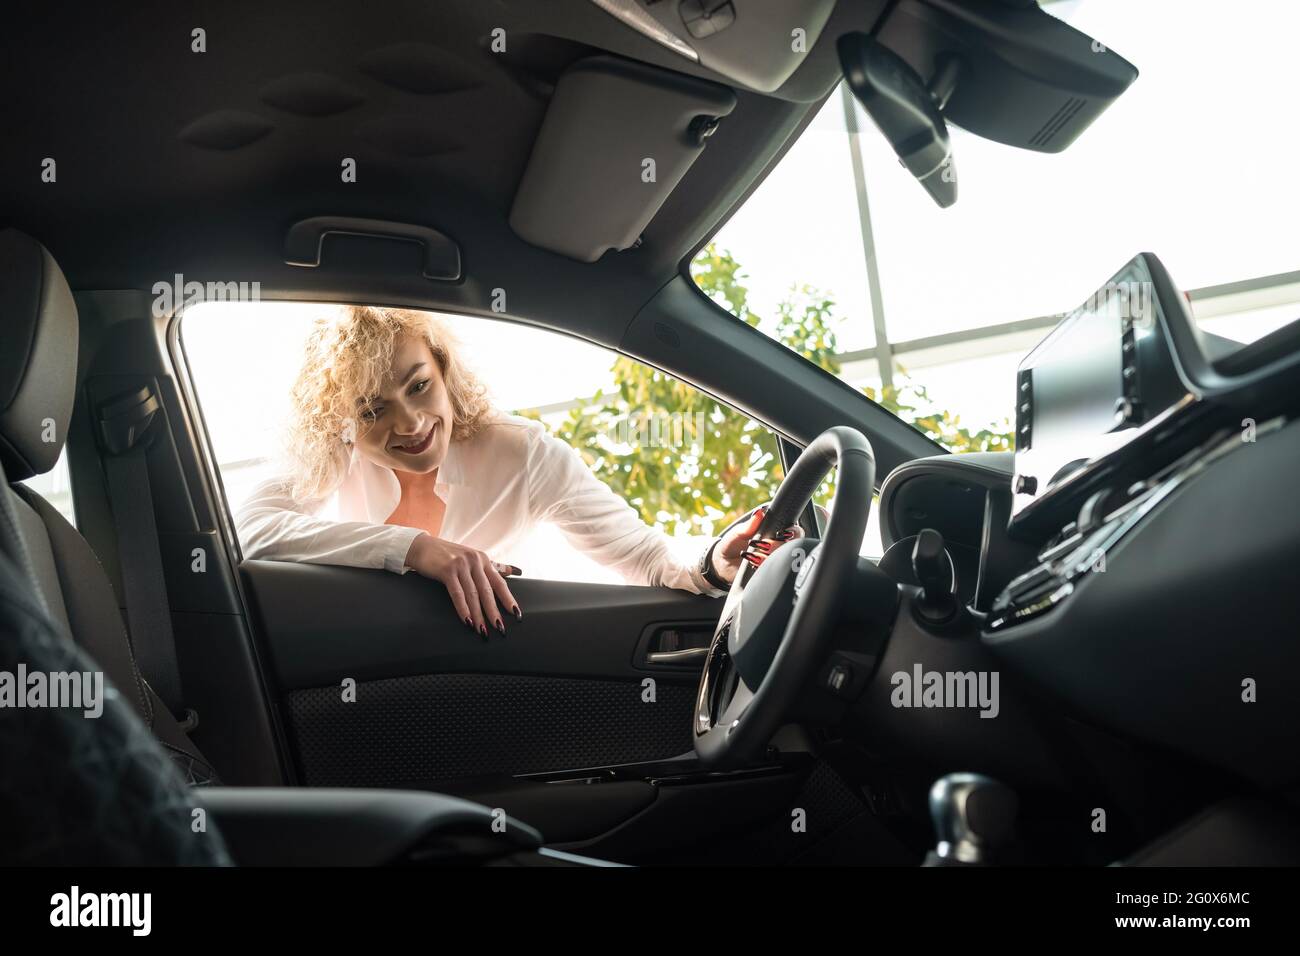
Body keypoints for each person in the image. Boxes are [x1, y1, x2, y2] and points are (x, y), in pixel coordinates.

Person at [235, 306, 799, 637]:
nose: (409, 423)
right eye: (371, 409)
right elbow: (249, 531)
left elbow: (646, 557)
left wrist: (713, 562)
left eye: (419, 385)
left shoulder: (523, 454)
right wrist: (415, 549)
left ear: (443, 367)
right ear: (343, 420)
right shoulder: (334, 450)